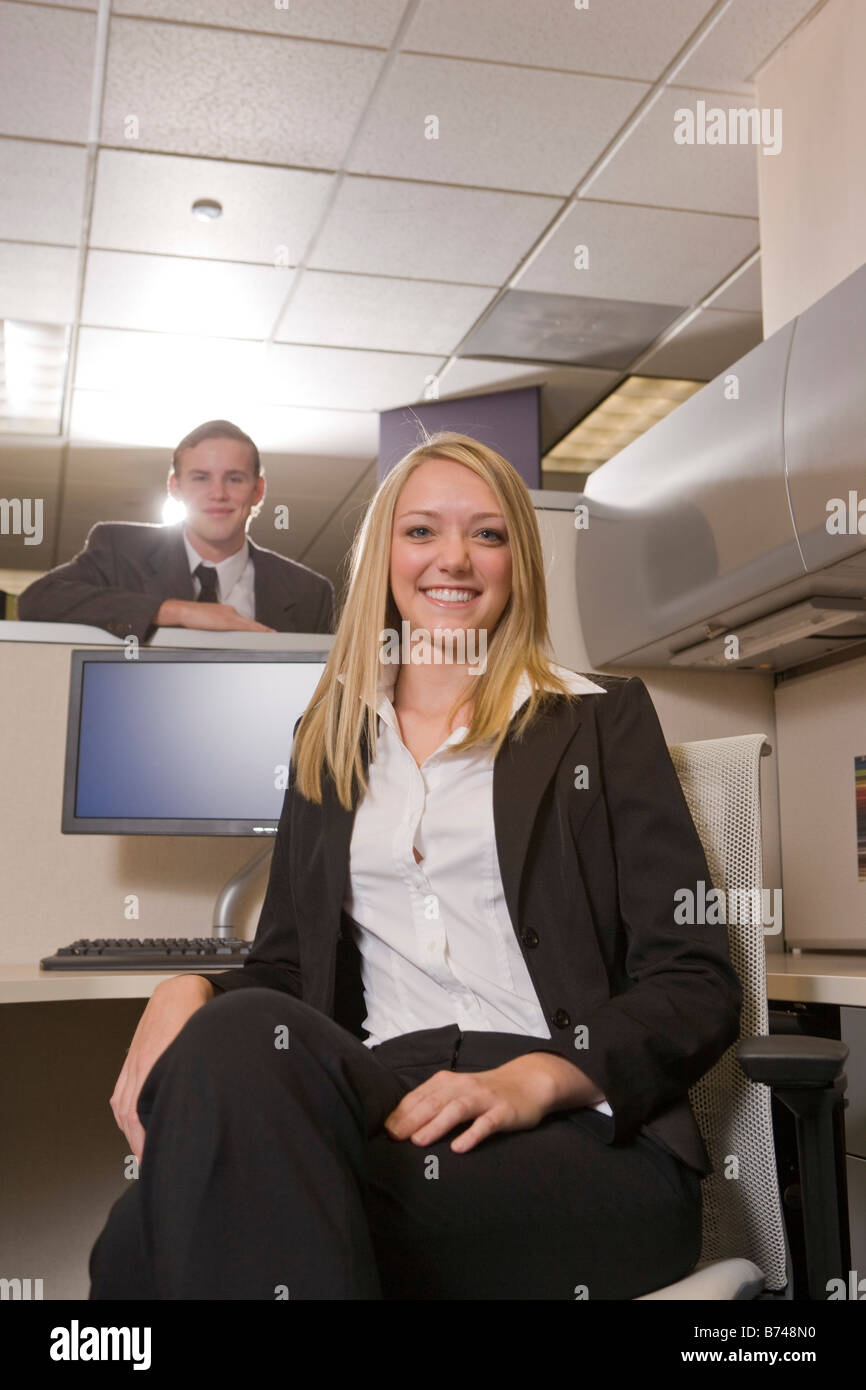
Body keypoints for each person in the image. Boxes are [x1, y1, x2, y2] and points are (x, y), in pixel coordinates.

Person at [88, 430, 741, 1301]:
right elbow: (285, 970)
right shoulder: (326, 739)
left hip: (578, 1127)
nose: (455, 560)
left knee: (149, 1245)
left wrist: (532, 1079)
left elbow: (694, 978)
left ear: (519, 561)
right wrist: (186, 989)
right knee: (221, 1056)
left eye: (489, 534)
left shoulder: (598, 720)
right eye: (423, 531)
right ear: (384, 558)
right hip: (388, 1097)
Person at [17, 420, 334, 640]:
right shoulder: (120, 550)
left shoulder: (308, 592)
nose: (218, 494)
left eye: (234, 479)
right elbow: (37, 601)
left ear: (258, 490)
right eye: (200, 478)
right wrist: (178, 612)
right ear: (175, 488)